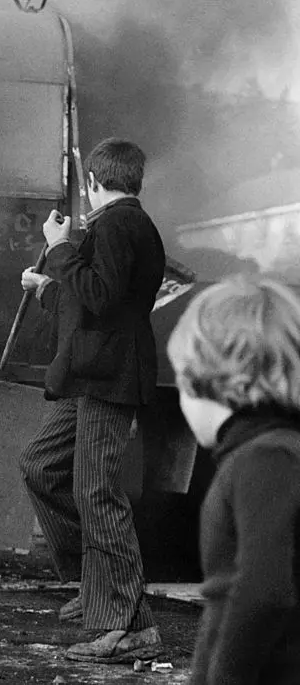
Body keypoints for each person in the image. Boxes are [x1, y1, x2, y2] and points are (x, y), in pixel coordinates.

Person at [18, 138, 166, 663]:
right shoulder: (122, 226)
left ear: (93, 183)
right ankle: (94, 587)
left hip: (108, 376)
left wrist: (59, 248)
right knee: (40, 465)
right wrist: (46, 287)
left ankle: (128, 625)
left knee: (97, 491)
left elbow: (100, 297)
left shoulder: (118, 225)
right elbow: (93, 303)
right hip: (90, 372)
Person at [167, 275, 300, 684]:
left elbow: (263, 592)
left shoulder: (266, 459)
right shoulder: (274, 452)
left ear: (209, 381)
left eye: (181, 384)